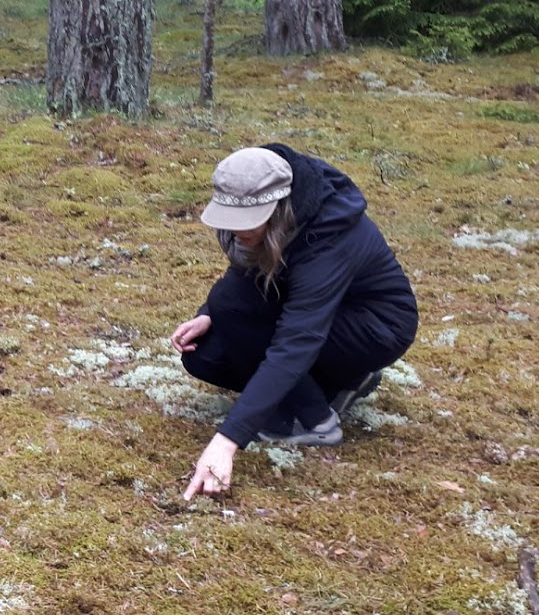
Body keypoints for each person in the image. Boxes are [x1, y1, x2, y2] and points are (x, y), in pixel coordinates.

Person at [175, 145, 418, 501]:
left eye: (247, 221)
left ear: (278, 207)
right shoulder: (277, 224)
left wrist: (227, 442)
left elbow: (297, 341)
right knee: (204, 355)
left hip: (375, 327)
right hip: (321, 315)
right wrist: (208, 312)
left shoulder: (328, 235)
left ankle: (316, 421)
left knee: (248, 323)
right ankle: (343, 382)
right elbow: (244, 278)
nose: (236, 230)